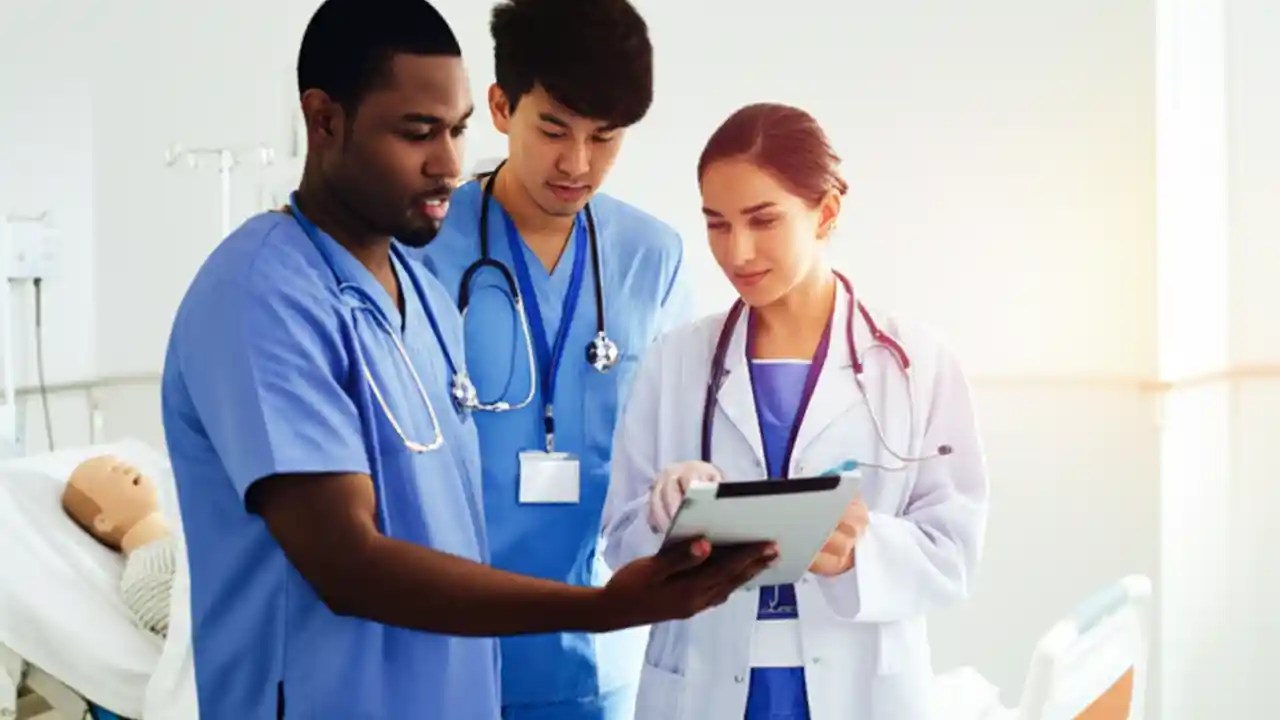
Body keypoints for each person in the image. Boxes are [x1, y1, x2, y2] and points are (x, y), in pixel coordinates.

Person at [158, 2, 774, 717]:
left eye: (454, 133)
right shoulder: (260, 292)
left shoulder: (415, 289)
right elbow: (346, 562)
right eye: (418, 133)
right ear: (324, 120)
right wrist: (600, 607)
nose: (450, 164)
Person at [600, 102, 991, 720]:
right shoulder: (676, 360)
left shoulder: (916, 363)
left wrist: (864, 549)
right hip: (704, 680)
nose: (738, 252)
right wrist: (663, 512)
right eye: (717, 224)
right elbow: (620, 545)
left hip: (860, 683)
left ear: (827, 212)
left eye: (763, 220)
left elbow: (954, 551)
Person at [411, 1, 691, 718]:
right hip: (447, 642)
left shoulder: (650, 257)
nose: (578, 164)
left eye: (606, 138)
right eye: (553, 129)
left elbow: (676, 442)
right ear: (501, 107)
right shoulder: (418, 251)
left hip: (603, 646)